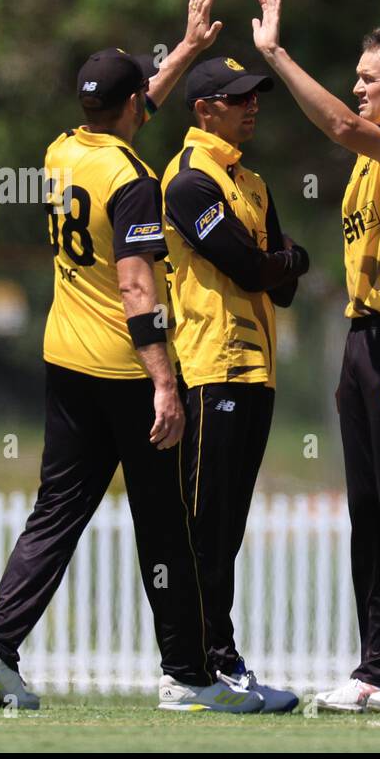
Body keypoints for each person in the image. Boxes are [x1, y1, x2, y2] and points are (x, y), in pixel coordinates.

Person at [0, 0, 261, 713]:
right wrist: (164, 382)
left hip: (64, 362)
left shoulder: (63, 151)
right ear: (131, 109)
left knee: (56, 512)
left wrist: (186, 48)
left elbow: (134, 107)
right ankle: (188, 677)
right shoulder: (132, 180)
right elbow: (136, 290)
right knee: (166, 526)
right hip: (125, 370)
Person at [252, 0, 380, 713]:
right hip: (367, 333)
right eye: (358, 76)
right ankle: (378, 666)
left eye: (370, 78)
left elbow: (338, 123)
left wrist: (274, 53)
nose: (357, 87)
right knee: (366, 507)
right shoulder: (370, 165)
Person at [159, 55, 312, 713]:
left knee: (226, 530)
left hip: (256, 370)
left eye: (255, 96)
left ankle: (218, 664)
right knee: (203, 529)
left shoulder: (250, 181)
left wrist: (280, 264)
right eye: (238, 97)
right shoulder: (190, 181)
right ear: (204, 109)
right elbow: (257, 269)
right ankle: (190, 672)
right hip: (208, 365)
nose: (252, 106)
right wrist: (285, 260)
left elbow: (283, 289)